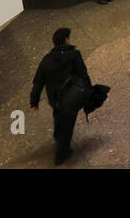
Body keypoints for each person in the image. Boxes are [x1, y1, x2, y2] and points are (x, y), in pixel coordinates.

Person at [29, 27, 92, 165]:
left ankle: (58, 137)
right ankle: (62, 153)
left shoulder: (46, 60)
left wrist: (34, 101)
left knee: (59, 116)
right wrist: (89, 91)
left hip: (55, 99)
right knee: (68, 124)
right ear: (66, 40)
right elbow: (83, 74)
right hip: (71, 97)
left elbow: (38, 83)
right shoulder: (74, 55)